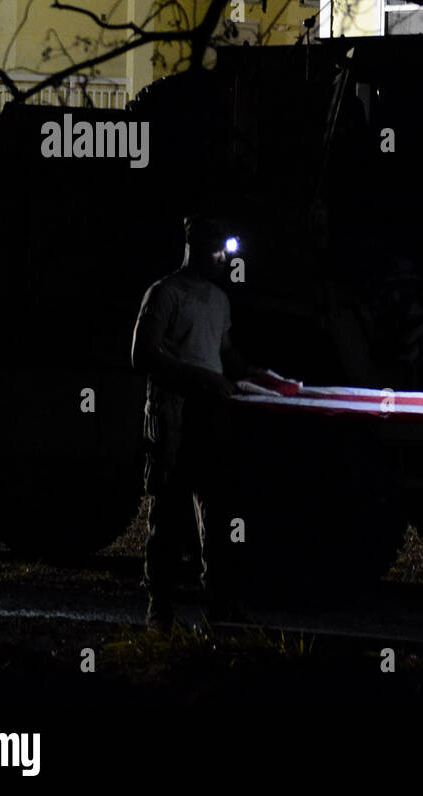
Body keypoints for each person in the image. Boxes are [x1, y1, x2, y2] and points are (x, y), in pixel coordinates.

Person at [131, 215, 264, 632]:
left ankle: (220, 605)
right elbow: (143, 355)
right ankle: (161, 609)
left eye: (227, 251)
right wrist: (204, 377)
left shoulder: (219, 299)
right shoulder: (165, 293)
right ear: (192, 244)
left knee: (218, 514)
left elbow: (222, 349)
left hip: (209, 418)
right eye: (216, 248)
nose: (224, 257)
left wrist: (256, 375)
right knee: (168, 513)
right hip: (172, 414)